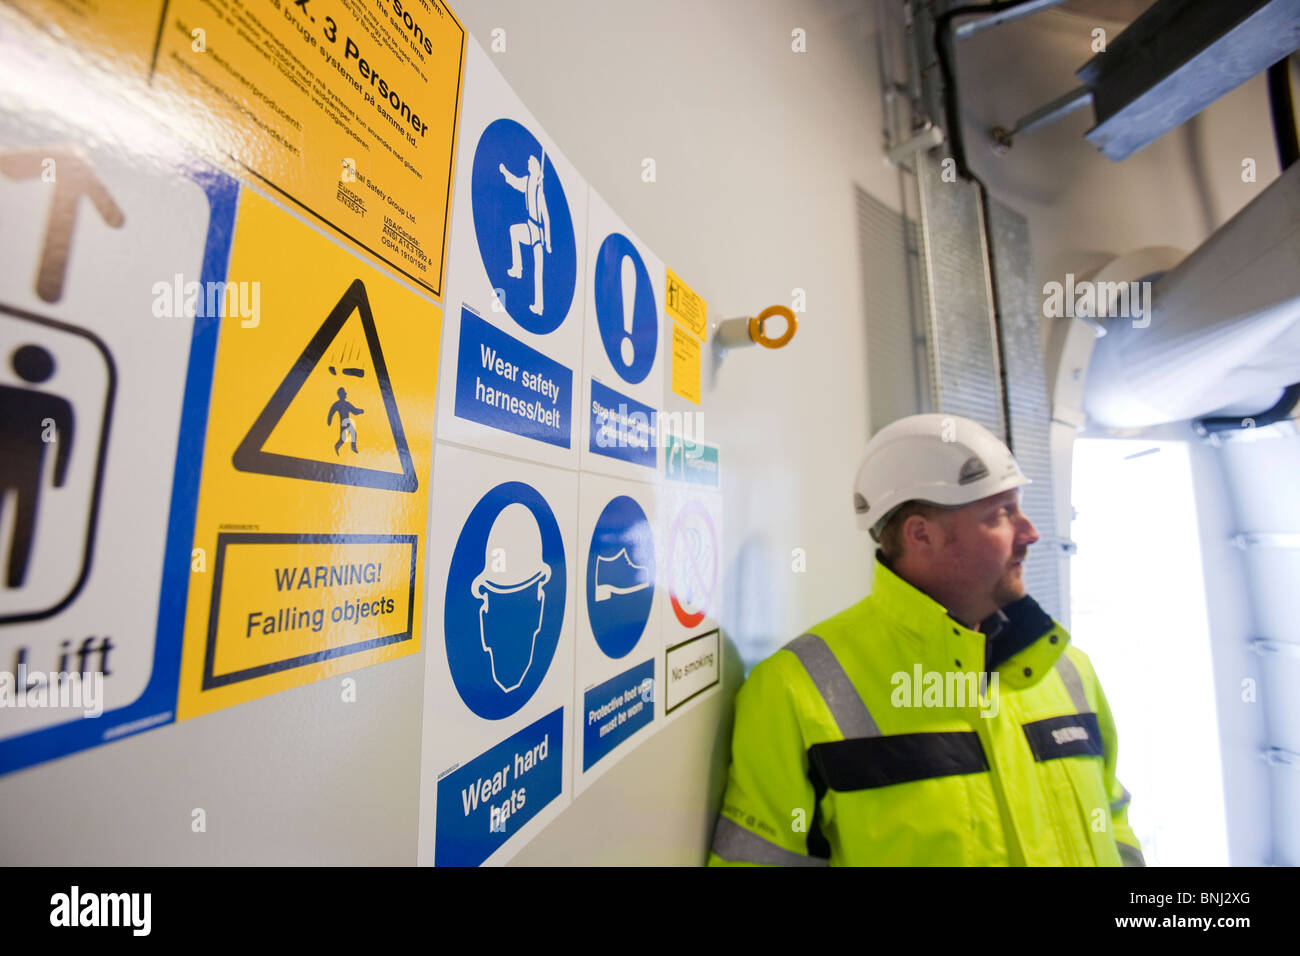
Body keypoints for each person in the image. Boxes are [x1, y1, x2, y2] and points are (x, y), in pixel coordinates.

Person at [707, 413, 1144, 866]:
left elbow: (1113, 821)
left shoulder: (1069, 670)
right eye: (1001, 515)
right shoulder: (795, 692)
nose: (1030, 533)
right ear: (922, 535)